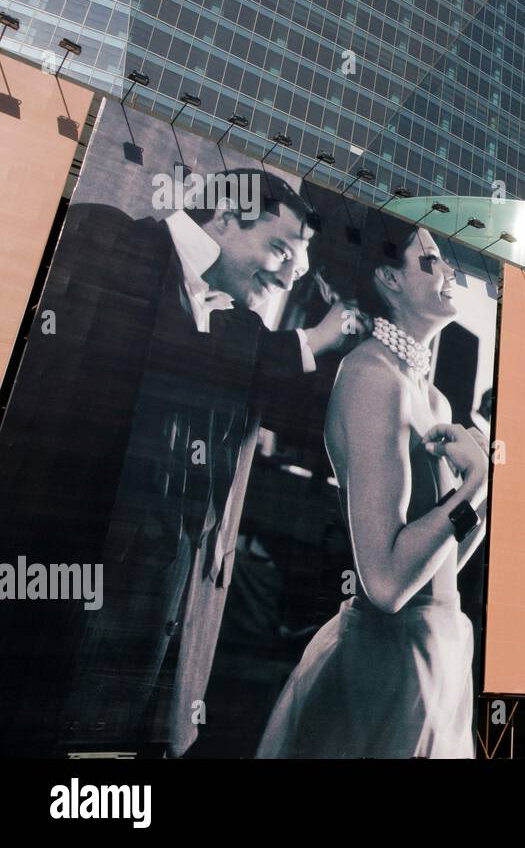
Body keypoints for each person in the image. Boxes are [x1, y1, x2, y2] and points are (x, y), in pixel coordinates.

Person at [0, 168, 354, 756]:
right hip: (44, 637)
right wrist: (306, 341)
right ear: (221, 218)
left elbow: (265, 385)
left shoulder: (234, 327)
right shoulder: (105, 238)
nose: (289, 274)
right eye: (279, 249)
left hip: (154, 661)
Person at [257, 225, 488, 758]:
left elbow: (443, 564)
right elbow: (385, 584)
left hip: (437, 658)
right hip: (386, 670)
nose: (449, 271)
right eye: (430, 261)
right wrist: (473, 486)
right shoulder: (369, 377)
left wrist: (483, 496)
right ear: (389, 279)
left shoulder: (436, 400)